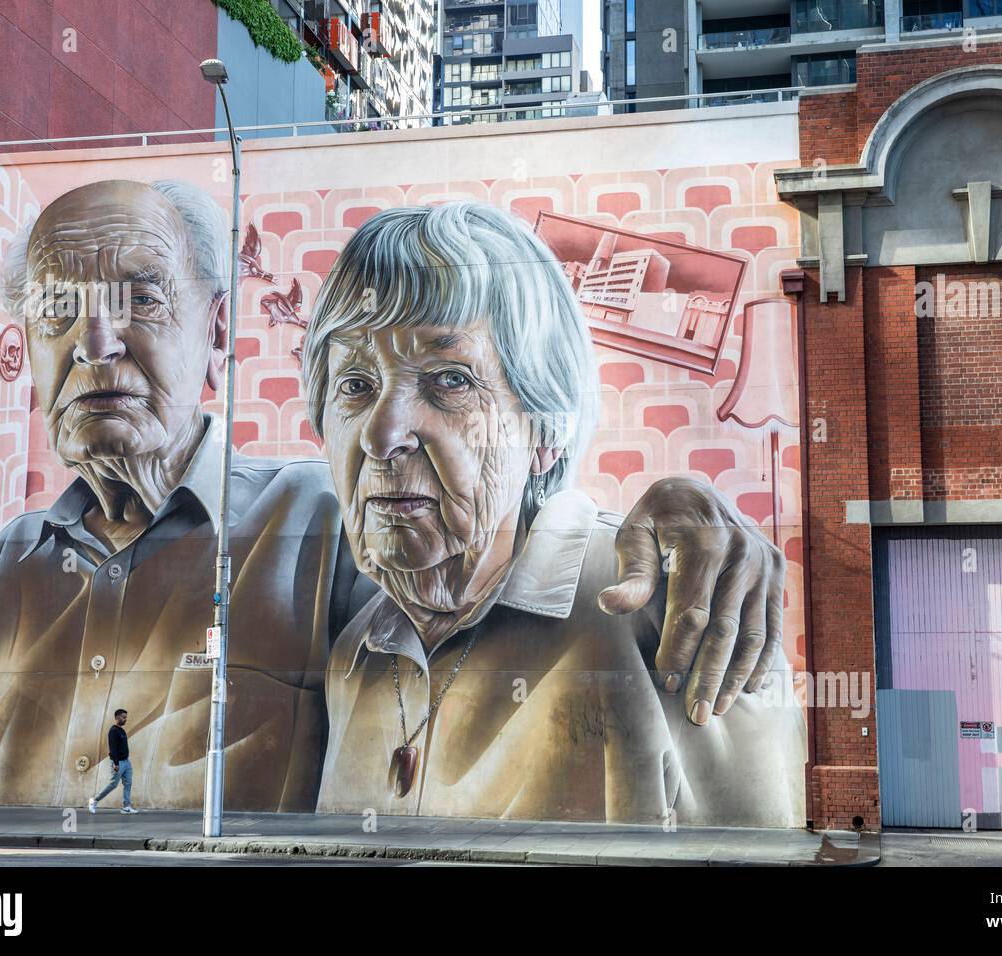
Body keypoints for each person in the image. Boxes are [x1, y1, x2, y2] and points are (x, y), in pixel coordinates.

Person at [0, 179, 789, 813]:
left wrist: (693, 517)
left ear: (217, 328)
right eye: (55, 309)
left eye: (448, 379)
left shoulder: (319, 532)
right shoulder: (4, 569)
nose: (95, 341)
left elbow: (519, 540)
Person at [310, 203, 805, 825]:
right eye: (354, 384)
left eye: (449, 379)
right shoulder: (357, 652)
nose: (383, 435)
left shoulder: (666, 610)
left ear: (545, 430)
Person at [88, 709, 137, 814]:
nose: (125, 719)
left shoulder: (122, 730)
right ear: (117, 717)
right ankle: (94, 800)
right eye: (124, 717)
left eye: (126, 717)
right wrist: (116, 763)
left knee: (128, 784)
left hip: (126, 762)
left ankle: (126, 807)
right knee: (113, 784)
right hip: (118, 762)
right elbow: (113, 748)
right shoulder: (113, 731)